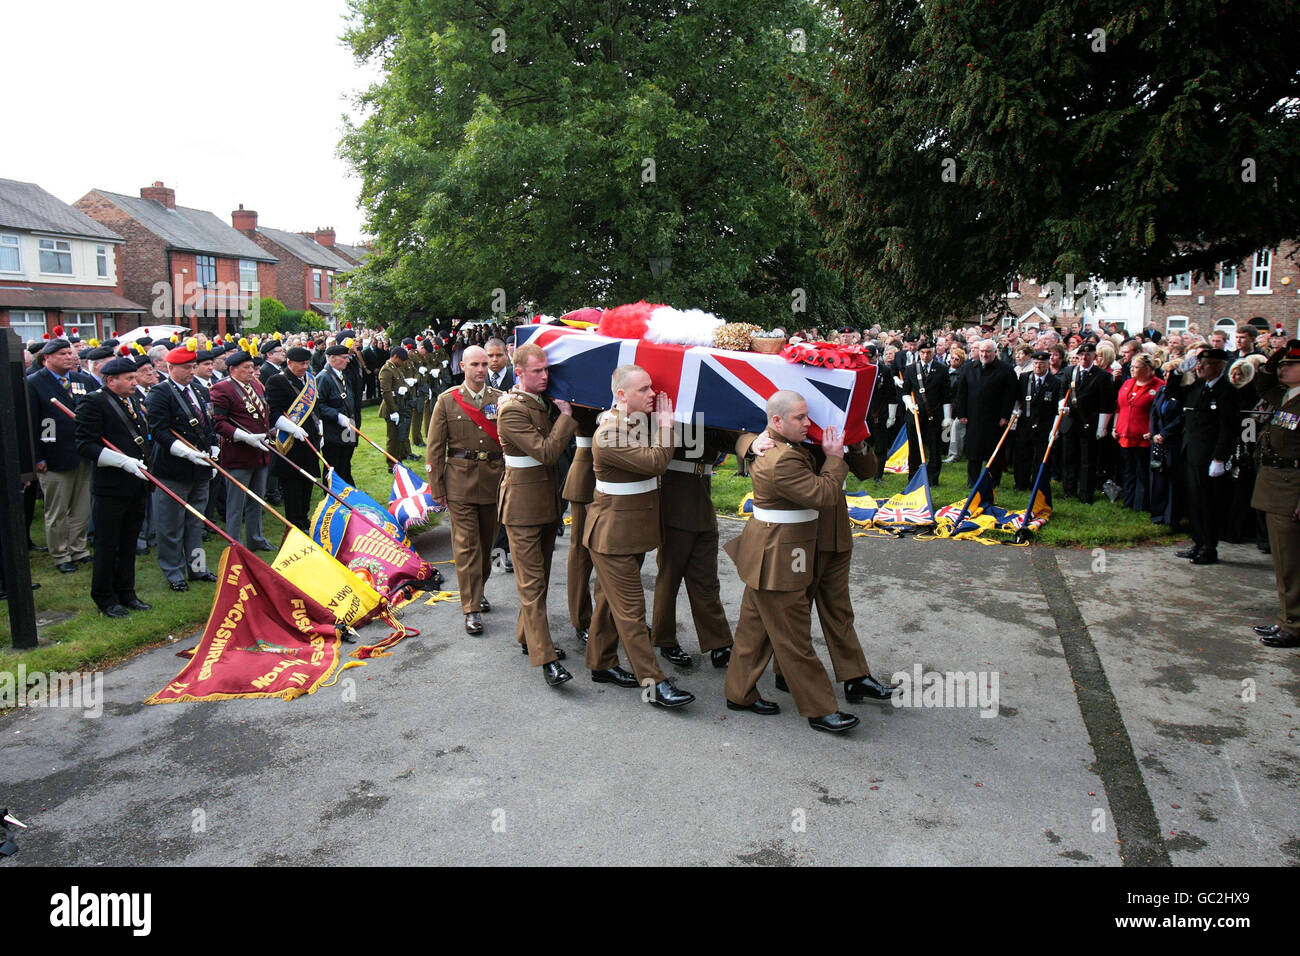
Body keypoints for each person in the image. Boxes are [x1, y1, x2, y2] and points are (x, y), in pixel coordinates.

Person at [723, 390, 859, 734]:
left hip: (769, 551)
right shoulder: (782, 458)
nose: (807, 423)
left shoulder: (778, 447)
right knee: (794, 637)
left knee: (753, 630)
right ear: (777, 420)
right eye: (800, 417)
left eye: (806, 415)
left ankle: (739, 693)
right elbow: (825, 495)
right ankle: (820, 709)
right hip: (780, 556)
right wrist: (833, 457)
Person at [584, 365, 695, 707]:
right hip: (613, 536)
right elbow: (656, 462)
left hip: (632, 531)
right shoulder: (609, 433)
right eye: (644, 390)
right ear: (621, 395)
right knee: (631, 612)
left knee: (608, 602)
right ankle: (654, 684)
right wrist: (665, 426)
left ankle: (601, 663)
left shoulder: (634, 422)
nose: (653, 395)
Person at [495, 342, 578, 686]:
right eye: (537, 371)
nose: (545, 376)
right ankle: (546, 659)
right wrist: (567, 418)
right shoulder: (512, 409)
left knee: (539, 578)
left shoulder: (541, 403)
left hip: (546, 502)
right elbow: (546, 452)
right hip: (523, 507)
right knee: (531, 583)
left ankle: (525, 636)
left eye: (547, 370)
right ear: (520, 373)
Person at [427, 345, 504, 636]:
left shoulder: (499, 399)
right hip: (459, 482)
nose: (481, 370)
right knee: (466, 545)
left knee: (486, 545)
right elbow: (435, 447)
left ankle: (478, 588)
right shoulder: (447, 401)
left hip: (493, 480)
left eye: (485, 364)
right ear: (463, 367)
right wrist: (437, 487)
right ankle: (471, 608)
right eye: (475, 364)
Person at [73, 356, 153, 617]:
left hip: (136, 482)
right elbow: (85, 445)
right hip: (111, 486)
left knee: (129, 542)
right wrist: (121, 461)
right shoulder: (94, 402)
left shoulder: (132, 400)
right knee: (108, 544)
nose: (134, 382)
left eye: (134, 377)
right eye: (129, 379)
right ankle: (105, 597)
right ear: (110, 380)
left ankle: (126, 592)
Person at [650, 427, 735, 668]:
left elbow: (728, 440)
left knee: (705, 577)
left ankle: (718, 641)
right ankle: (665, 638)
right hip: (676, 496)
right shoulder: (677, 412)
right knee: (670, 574)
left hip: (701, 493)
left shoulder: (711, 413)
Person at [146, 341, 219, 592]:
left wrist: (214, 446)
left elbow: (209, 422)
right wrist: (186, 453)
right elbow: (158, 431)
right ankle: (174, 571)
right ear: (171, 368)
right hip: (173, 468)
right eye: (187, 367)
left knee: (195, 522)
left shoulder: (199, 391)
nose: (192, 371)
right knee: (171, 524)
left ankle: (197, 567)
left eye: (193, 366)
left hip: (201, 467)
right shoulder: (160, 393)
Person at [27, 337, 100, 573]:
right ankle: (60, 554)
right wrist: (37, 458)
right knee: (57, 510)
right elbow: (30, 424)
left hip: (82, 454)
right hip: (53, 457)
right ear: (46, 358)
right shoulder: (34, 383)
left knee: (81, 507)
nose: (70, 357)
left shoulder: (82, 380)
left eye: (70, 353)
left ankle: (78, 549)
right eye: (62, 354)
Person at [1249, 341, 1300, 648]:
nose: (1283, 368)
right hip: (1276, 483)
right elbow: (1262, 382)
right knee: (1284, 559)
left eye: (1290, 364)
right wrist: (1276, 356)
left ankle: (1293, 624)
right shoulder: (1285, 396)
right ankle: (1287, 618)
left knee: (1290, 560)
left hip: (1292, 486)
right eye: (1283, 365)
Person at [1174, 348, 1238, 565]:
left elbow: (1227, 428)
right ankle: (1198, 542)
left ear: (1220, 366)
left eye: (1206, 363)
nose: (1200, 367)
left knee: (1208, 503)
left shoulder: (1226, 391)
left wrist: (1220, 458)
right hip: (1191, 450)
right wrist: (1176, 373)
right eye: (1198, 363)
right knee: (1193, 501)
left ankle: (1210, 547)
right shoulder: (1199, 386)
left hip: (1208, 456)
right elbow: (1174, 393)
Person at [209, 350, 274, 551]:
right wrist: (244, 436)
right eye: (246, 368)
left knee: (257, 500)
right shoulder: (221, 389)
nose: (251, 371)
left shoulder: (255, 385)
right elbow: (219, 423)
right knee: (236, 503)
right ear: (232, 369)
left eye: (252, 367)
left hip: (260, 451)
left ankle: (256, 538)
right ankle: (234, 542)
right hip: (238, 455)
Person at [264, 347, 321, 536]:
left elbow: (314, 408)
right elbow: (273, 413)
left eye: (307, 364)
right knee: (293, 485)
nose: (305, 367)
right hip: (290, 441)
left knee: (308, 483)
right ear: (289, 363)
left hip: (309, 438)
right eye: (301, 364)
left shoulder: (310, 380)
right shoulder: (277, 381)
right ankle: (294, 522)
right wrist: (293, 428)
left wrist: (319, 428)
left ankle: (304, 518)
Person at [561, 406, 602, 645]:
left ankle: (613, 615)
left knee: (621, 555)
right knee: (581, 553)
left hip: (625, 474)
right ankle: (582, 618)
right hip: (587, 472)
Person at [954, 340, 1018, 488]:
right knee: (973, 451)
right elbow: (961, 392)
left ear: (995, 352)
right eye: (982, 351)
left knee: (994, 450)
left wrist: (1004, 416)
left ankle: (993, 481)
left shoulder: (1006, 370)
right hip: (973, 416)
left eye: (988, 351)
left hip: (995, 418)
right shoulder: (968, 368)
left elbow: (1010, 396)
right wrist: (961, 413)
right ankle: (972, 481)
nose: (984, 354)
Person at [1058, 343, 1115, 504]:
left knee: (1087, 461)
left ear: (1094, 357)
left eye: (1088, 355)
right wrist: (1063, 404)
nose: (1084, 358)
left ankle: (1086, 494)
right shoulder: (1070, 371)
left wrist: (1102, 426)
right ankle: (1068, 491)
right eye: (1081, 355)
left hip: (1089, 423)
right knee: (1068, 458)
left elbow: (1107, 402)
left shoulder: (1102, 376)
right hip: (1070, 422)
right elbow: (1063, 392)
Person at [1114, 354, 1164, 512]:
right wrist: (1116, 427)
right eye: (1132, 367)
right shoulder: (1128, 383)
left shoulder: (1159, 386)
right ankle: (1128, 501)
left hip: (1144, 437)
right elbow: (1119, 407)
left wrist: (1153, 430)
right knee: (1128, 470)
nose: (1132, 370)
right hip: (1125, 434)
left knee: (1142, 471)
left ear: (1148, 369)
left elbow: (1159, 413)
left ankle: (1141, 504)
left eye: (1136, 367)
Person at [900, 339, 952, 484]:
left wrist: (947, 417)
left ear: (933, 353)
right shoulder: (911, 369)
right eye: (922, 352)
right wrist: (910, 404)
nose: (925, 356)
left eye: (929, 352)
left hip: (933, 415)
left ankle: (933, 478)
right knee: (914, 447)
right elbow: (905, 392)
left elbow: (946, 395)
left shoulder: (941, 369)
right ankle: (913, 477)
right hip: (915, 415)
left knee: (934, 447)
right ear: (919, 353)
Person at [1012, 351, 1063, 490]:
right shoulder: (1024, 378)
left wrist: (1054, 428)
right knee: (1022, 454)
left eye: (1042, 364)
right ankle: (1020, 483)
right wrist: (1016, 412)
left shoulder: (1055, 382)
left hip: (1044, 424)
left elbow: (1056, 406)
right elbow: (1018, 398)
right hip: (1025, 422)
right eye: (1035, 363)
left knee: (1040, 456)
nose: (1038, 366)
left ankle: (1037, 484)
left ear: (1047, 364)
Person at [316, 344, 362, 485]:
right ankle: (332, 497)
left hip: (348, 427)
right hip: (333, 431)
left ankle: (346, 494)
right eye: (344, 358)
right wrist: (337, 416)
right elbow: (319, 405)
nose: (348, 360)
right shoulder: (323, 377)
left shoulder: (342, 374)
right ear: (332, 358)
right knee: (333, 467)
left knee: (345, 464)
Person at [378, 346, 413, 469]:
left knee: (399, 436)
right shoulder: (386, 370)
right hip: (390, 407)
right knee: (393, 437)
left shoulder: (396, 369)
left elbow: (402, 384)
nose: (403, 363)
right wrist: (393, 411)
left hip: (399, 405)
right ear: (396, 357)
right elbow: (386, 392)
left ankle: (397, 460)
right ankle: (392, 464)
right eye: (402, 360)